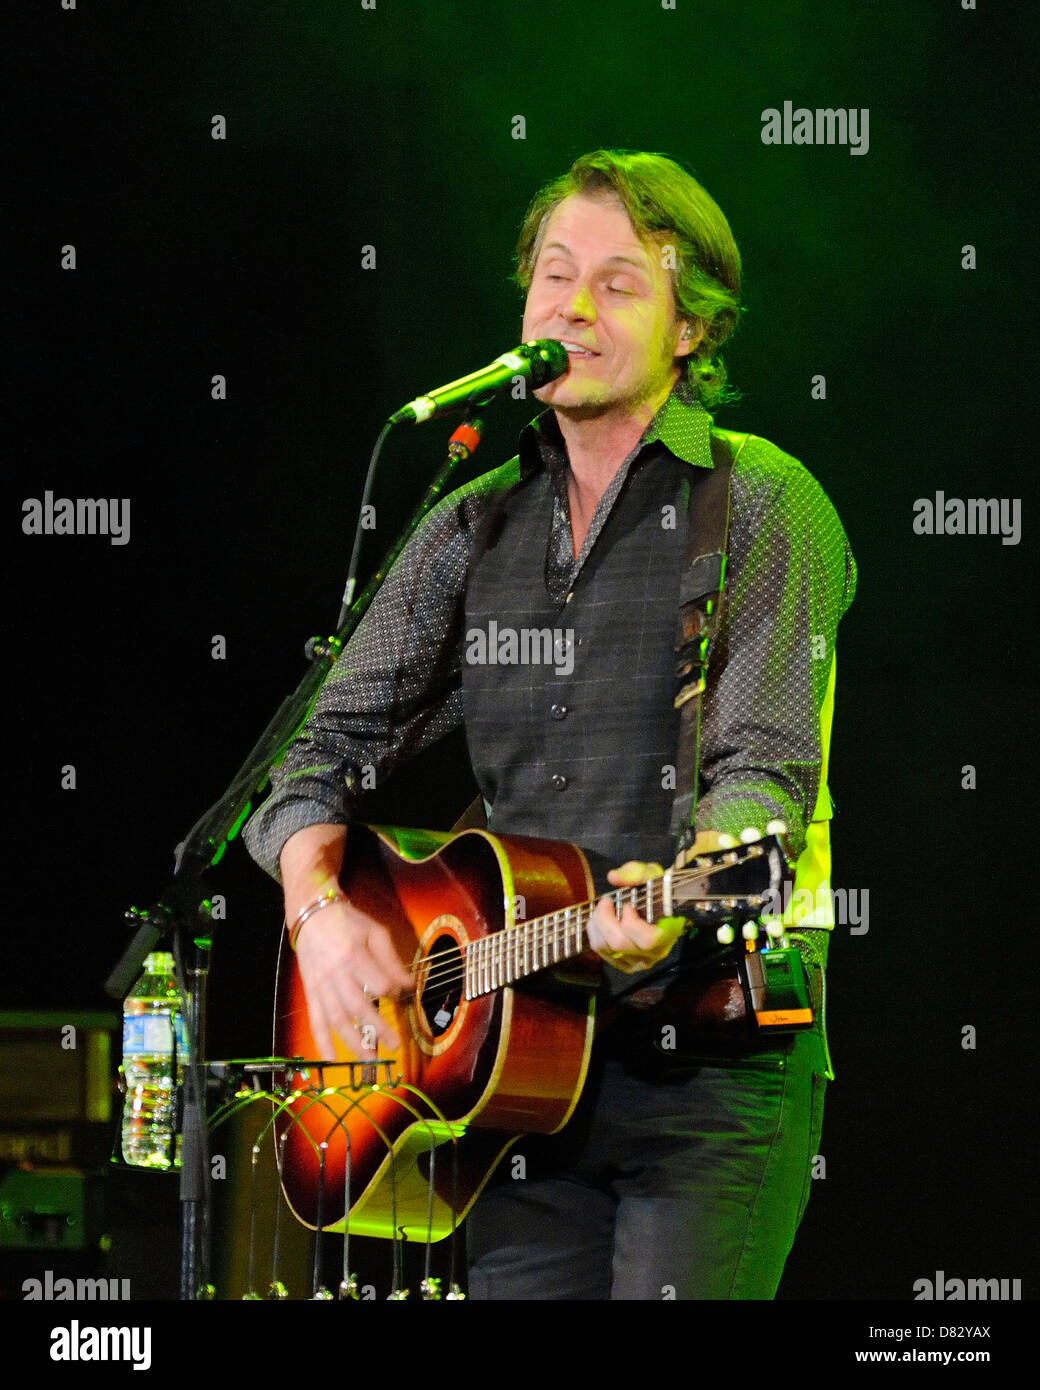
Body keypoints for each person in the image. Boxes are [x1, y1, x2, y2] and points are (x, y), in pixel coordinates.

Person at [243, 149, 857, 1299]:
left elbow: (761, 772)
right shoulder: (471, 525)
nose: (571, 305)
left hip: (711, 1064)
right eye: (553, 275)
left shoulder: (765, 500)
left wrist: (679, 897)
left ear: (692, 328)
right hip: (514, 1076)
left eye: (618, 282)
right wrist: (321, 914)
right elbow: (306, 766)